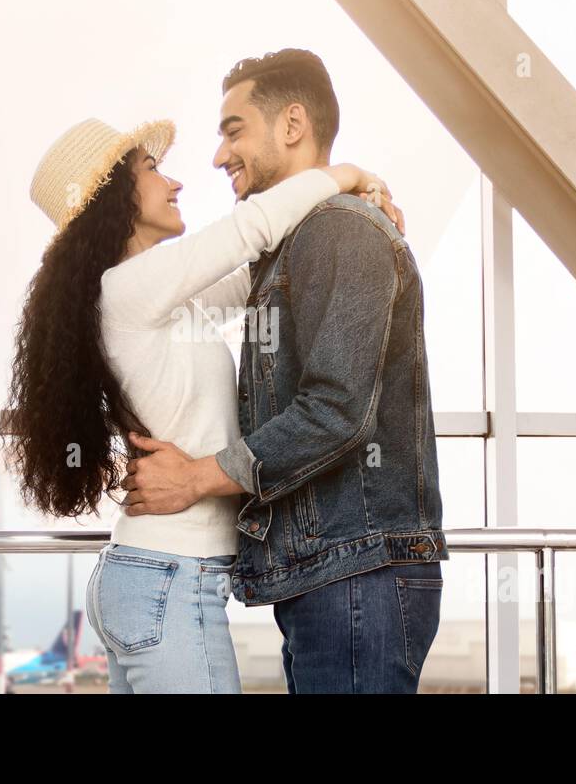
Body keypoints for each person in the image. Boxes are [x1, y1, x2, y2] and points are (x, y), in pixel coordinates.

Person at [0, 114, 400, 693]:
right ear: (116, 199)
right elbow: (250, 230)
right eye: (153, 169)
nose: (175, 182)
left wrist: (358, 208)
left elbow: (256, 275)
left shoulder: (152, 298)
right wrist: (348, 173)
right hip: (168, 580)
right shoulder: (130, 288)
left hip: (154, 578)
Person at [119, 49, 450, 694]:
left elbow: (335, 411)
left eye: (233, 129)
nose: (218, 156)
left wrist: (196, 478)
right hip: (334, 572)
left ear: (292, 124)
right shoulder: (304, 242)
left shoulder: (340, 233)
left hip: (356, 573)